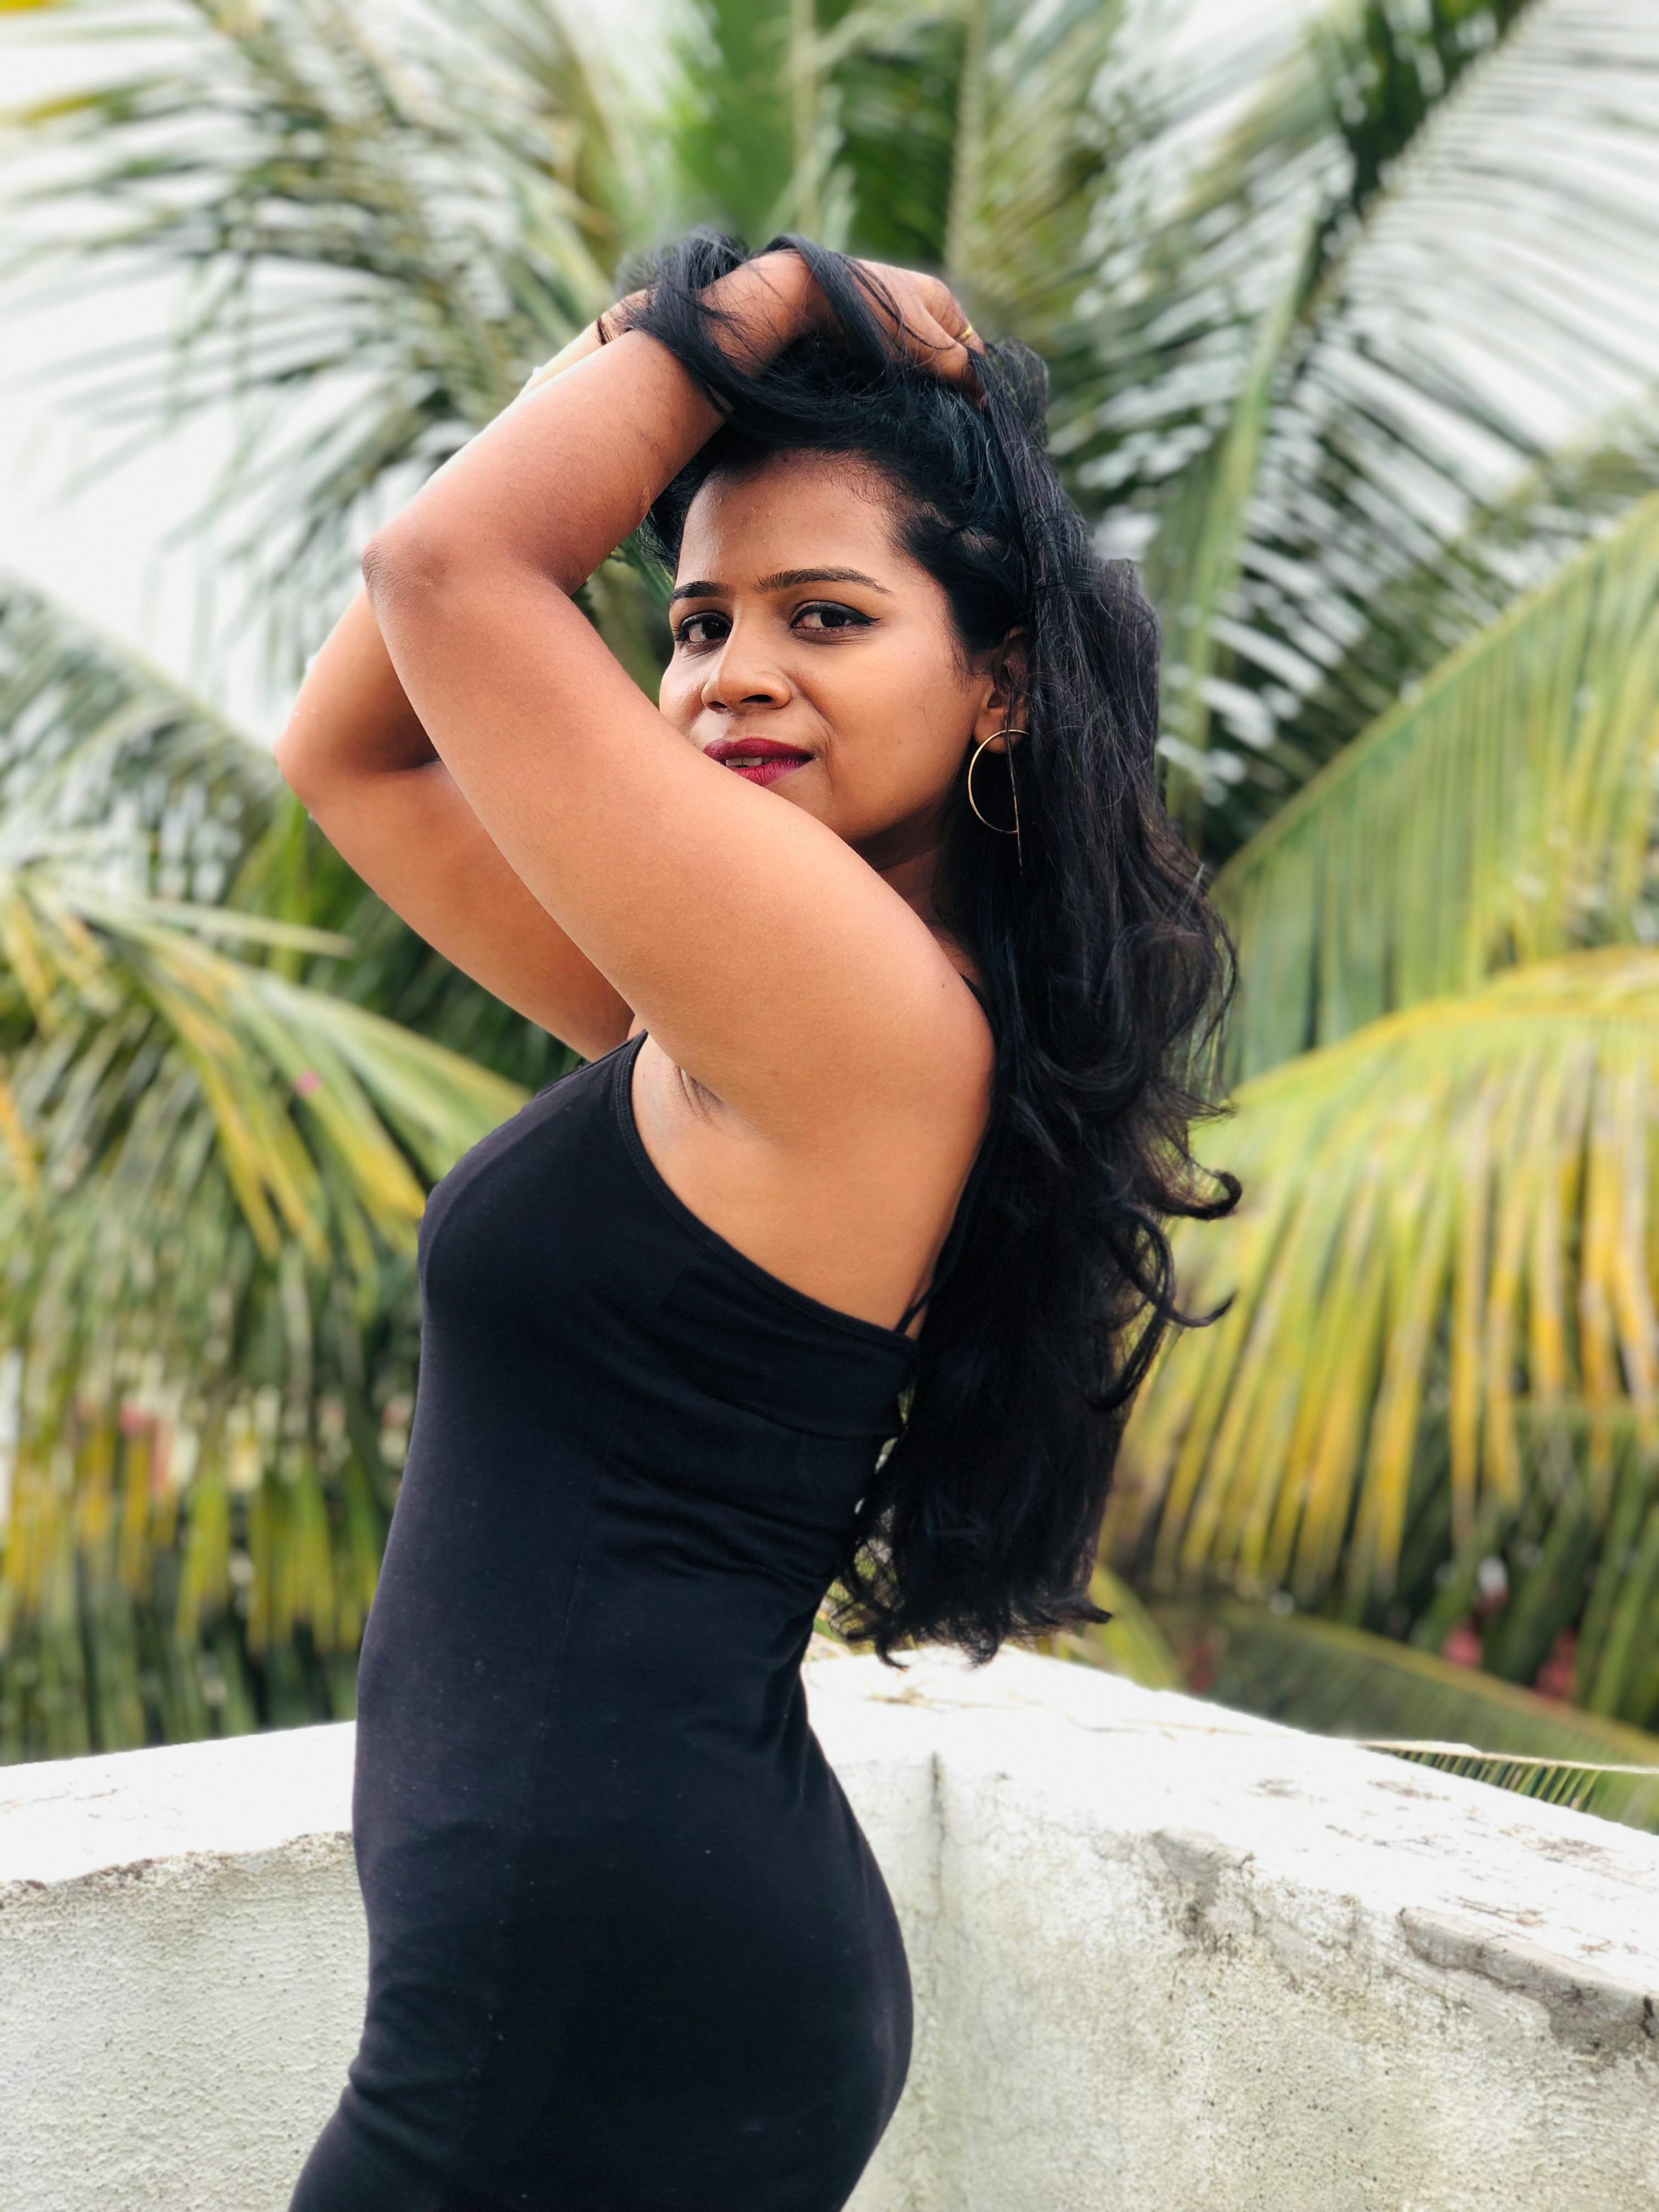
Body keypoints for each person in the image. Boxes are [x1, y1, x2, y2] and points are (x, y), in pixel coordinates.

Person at [274, 234, 1238, 2212]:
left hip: (590, 2010)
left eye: (826, 615)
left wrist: (779, 297)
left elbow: (448, 577)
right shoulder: (768, 1006)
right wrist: (680, 342)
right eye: (696, 622)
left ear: (1000, 684)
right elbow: (354, 749)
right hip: (626, 1974)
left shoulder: (854, 1018)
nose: (733, 676)